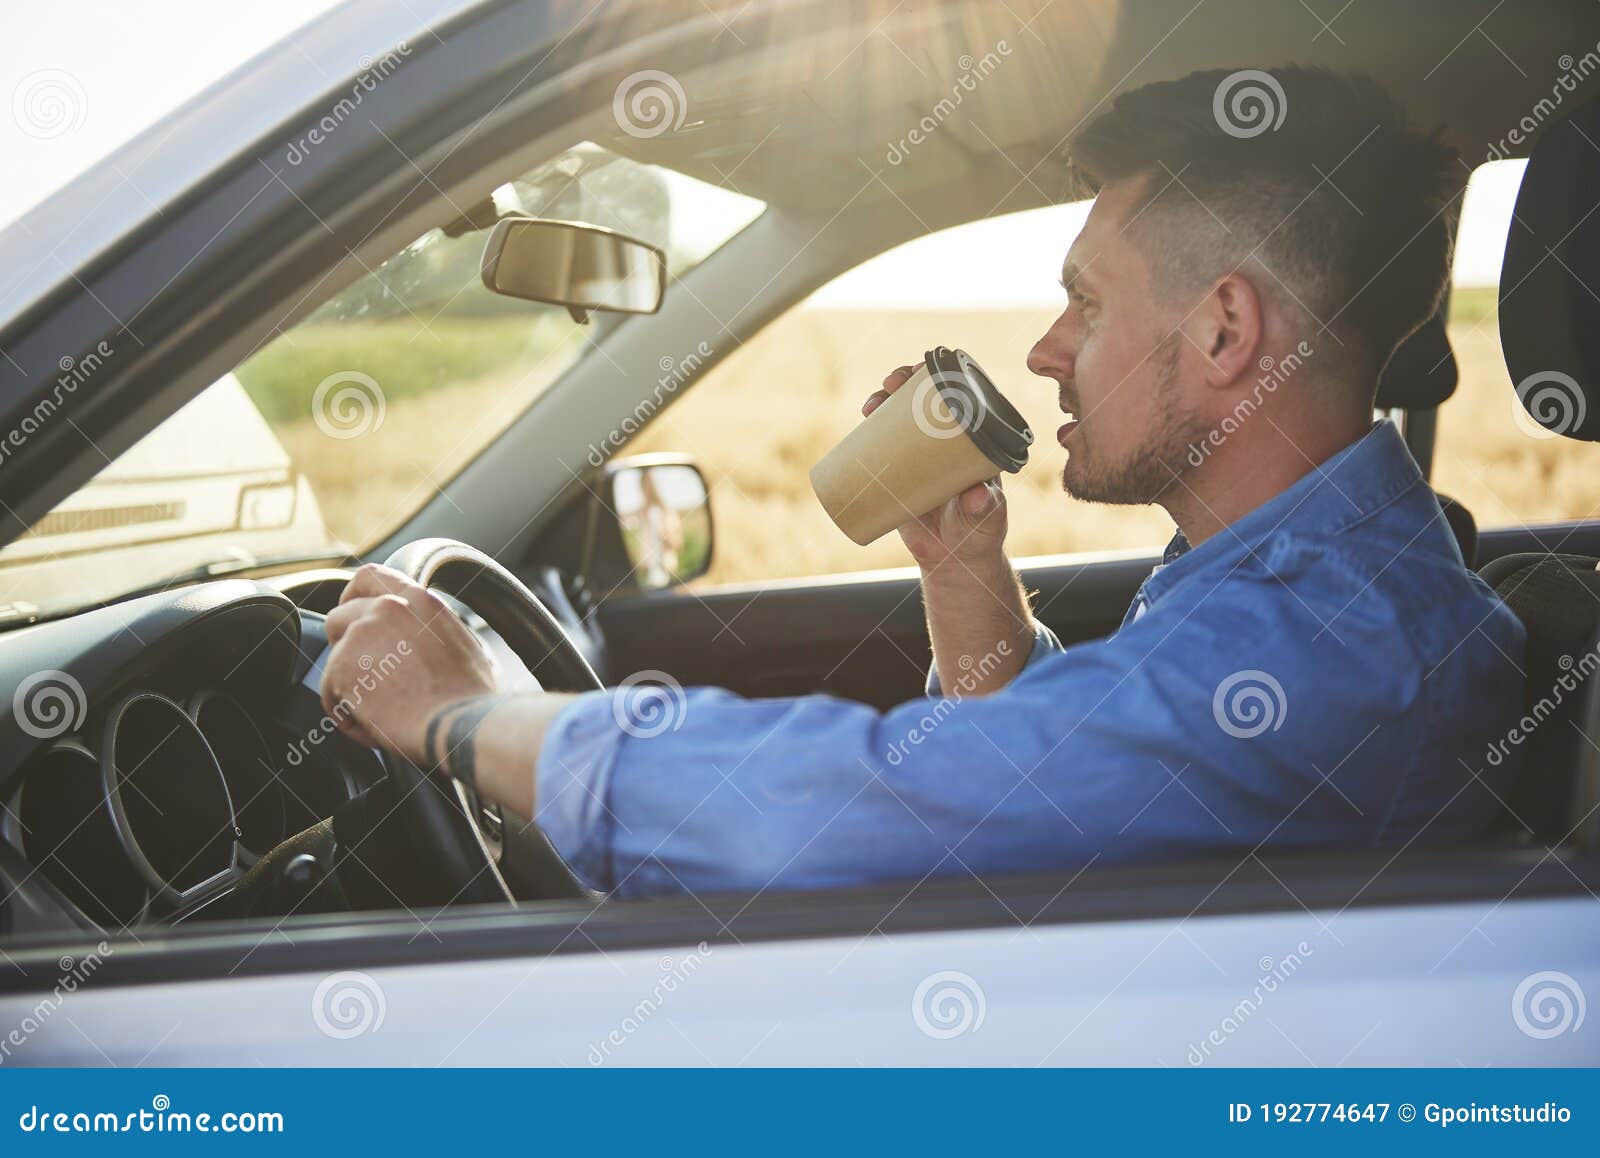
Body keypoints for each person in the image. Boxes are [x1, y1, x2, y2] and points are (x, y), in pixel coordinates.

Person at [320, 67, 1525, 898]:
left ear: (1224, 334)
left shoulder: (1328, 650)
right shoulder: (1297, 589)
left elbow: (867, 810)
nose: (1048, 348)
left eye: (1086, 302)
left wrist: (465, 712)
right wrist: (965, 572)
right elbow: (1063, 779)